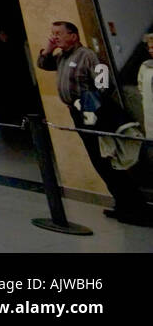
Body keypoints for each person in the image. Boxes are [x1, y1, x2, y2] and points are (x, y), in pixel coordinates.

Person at [37, 21, 151, 226]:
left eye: (59, 33)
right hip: (78, 114)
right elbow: (43, 64)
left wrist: (88, 104)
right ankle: (122, 203)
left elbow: (104, 84)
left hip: (93, 114)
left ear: (73, 35)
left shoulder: (87, 56)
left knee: (107, 159)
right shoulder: (62, 56)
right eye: (52, 33)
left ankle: (135, 206)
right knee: (98, 161)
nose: (55, 37)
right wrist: (49, 47)